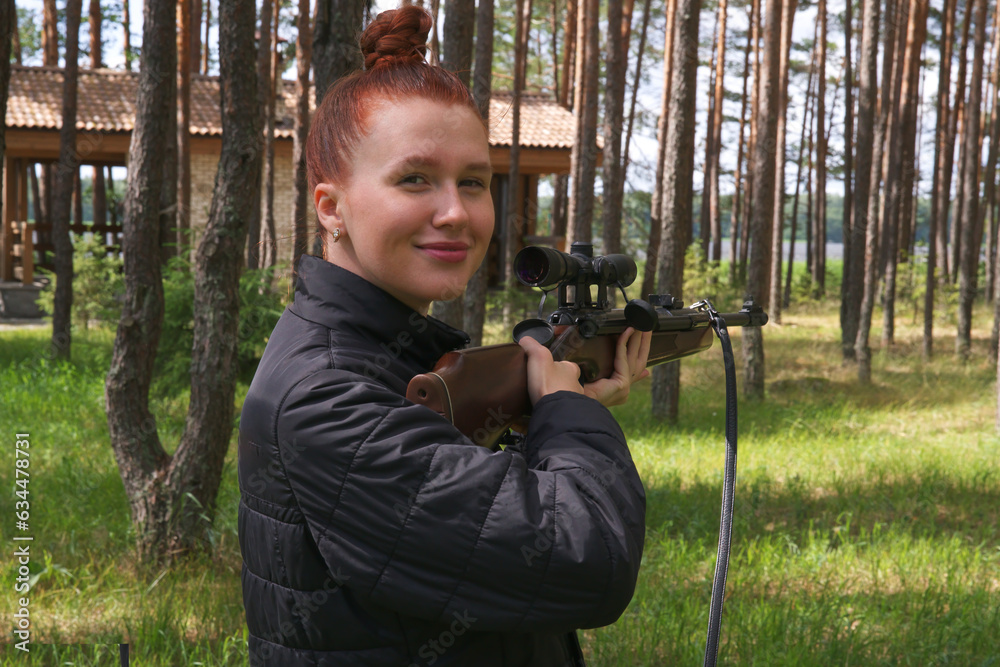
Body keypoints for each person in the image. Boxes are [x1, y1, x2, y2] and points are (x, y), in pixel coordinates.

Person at [237, 6, 652, 666]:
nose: (456, 211)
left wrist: (550, 414)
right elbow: (587, 558)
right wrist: (570, 416)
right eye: (415, 178)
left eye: (475, 182)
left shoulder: (388, 354)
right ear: (330, 208)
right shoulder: (329, 398)